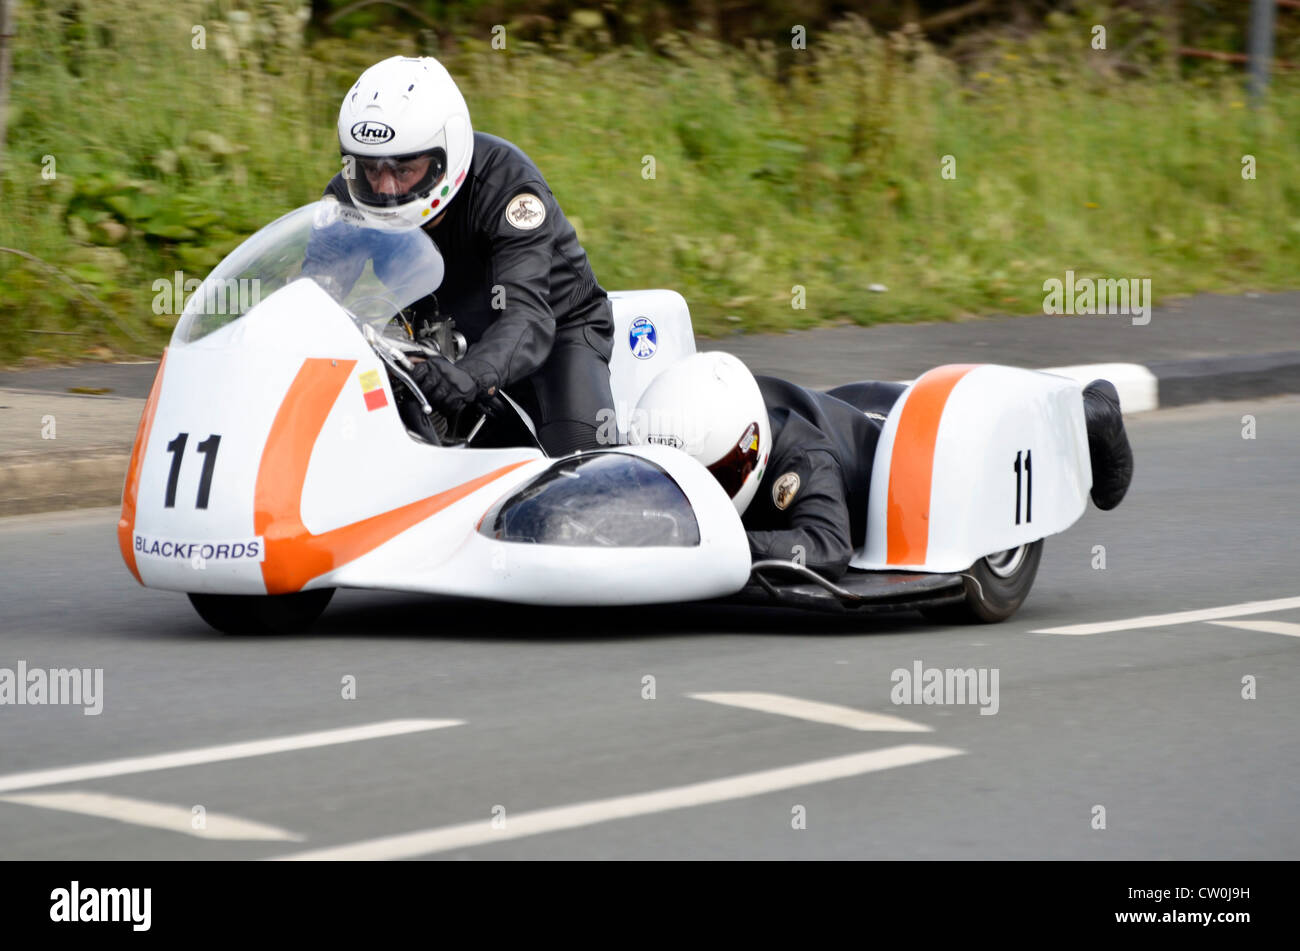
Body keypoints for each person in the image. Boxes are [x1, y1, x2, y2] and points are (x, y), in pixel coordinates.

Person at [309, 55, 616, 456]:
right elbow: (313, 299)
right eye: (370, 168)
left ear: (443, 158)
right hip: (437, 345)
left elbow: (528, 315)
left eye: (403, 171)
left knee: (580, 472)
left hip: (556, 334)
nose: (384, 189)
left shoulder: (507, 185)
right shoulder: (348, 199)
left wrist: (469, 377)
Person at [631, 352, 1134, 581]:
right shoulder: (710, 416)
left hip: (894, 444)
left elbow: (826, 549)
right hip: (839, 407)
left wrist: (703, 540)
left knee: (949, 442)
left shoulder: (802, 464)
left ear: (750, 455)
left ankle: (1094, 412)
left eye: (708, 476)